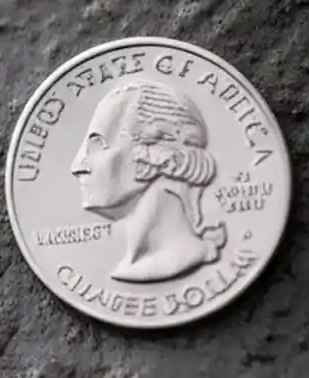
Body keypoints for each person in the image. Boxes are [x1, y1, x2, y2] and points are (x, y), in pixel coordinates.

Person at [70, 79, 226, 283]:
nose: (76, 166)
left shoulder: (176, 259)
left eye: (98, 144)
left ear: (152, 155)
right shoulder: (129, 266)